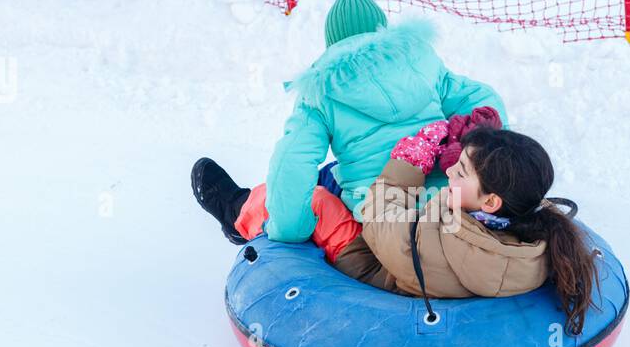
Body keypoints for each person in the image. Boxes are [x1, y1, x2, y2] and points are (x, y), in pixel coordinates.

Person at [194, 125, 601, 336]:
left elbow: (379, 220)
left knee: (318, 198)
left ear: (490, 201)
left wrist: (409, 162)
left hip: (379, 267)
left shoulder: (447, 242)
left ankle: (239, 213)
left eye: (460, 170)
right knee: (341, 179)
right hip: (411, 252)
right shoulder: (533, 228)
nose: (451, 169)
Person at [237, 0, 506, 245]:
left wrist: (290, 231)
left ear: (332, 42)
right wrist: (484, 165)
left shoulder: (320, 90)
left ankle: (238, 208)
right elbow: (482, 99)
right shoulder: (421, 60)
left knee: (304, 187)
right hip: (447, 197)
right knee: (330, 172)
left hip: (381, 215)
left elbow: (292, 160)